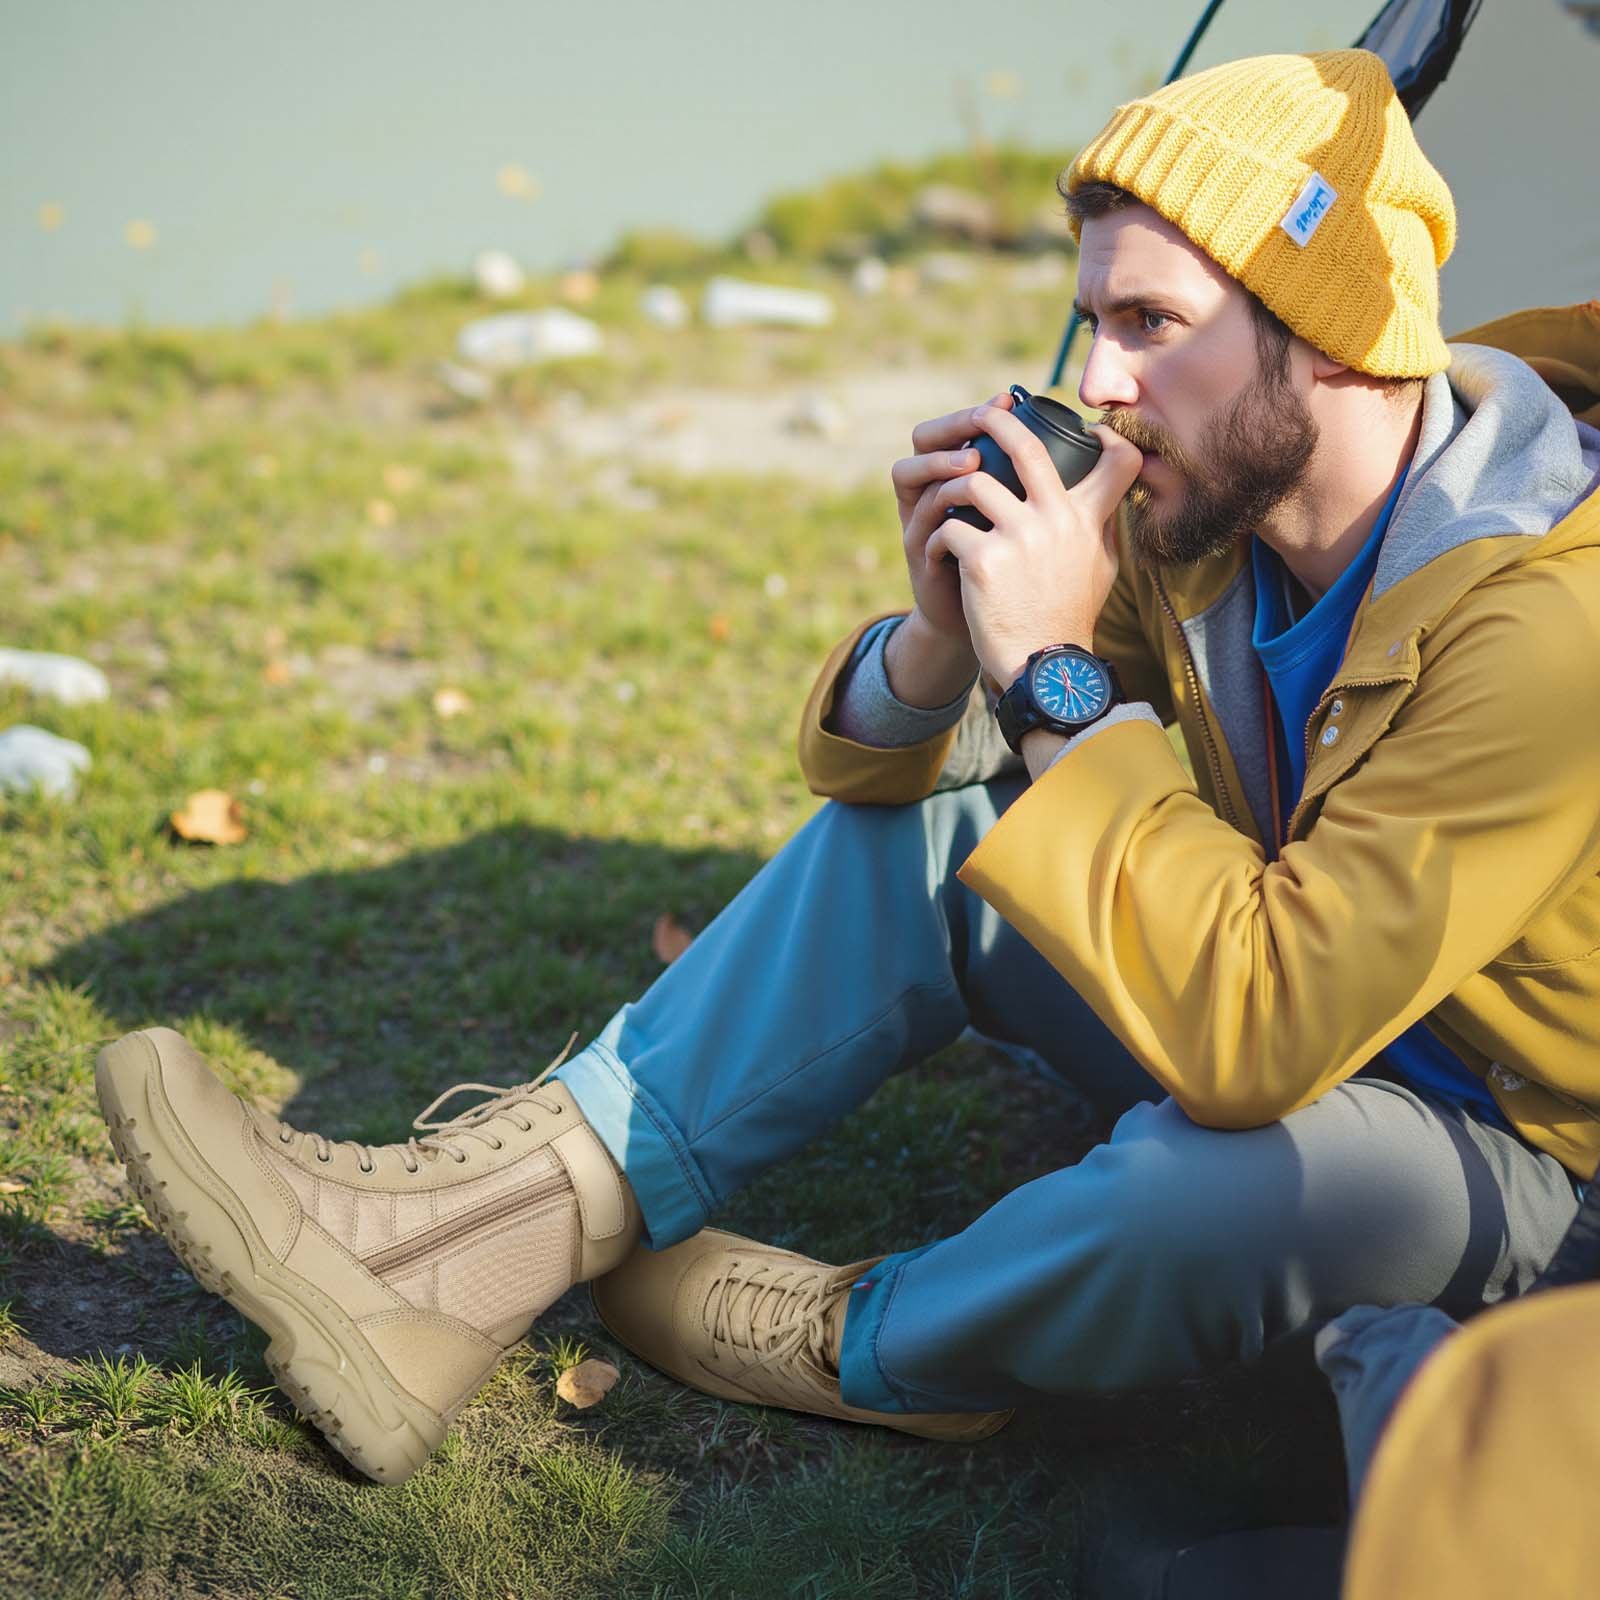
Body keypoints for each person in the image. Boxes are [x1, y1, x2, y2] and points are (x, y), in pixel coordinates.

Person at [95, 49, 1600, 1486]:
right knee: (938, 848)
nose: (1103, 383)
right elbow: (893, 795)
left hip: (1522, 1147)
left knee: (1226, 1184)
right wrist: (947, 645)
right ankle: (467, 1247)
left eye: (1150, 322)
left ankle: (872, 1343)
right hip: (1285, 994)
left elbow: (1262, 1039)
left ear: (1329, 331)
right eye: (1093, 321)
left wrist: (1058, 675)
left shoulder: (1548, 626)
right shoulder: (1211, 514)